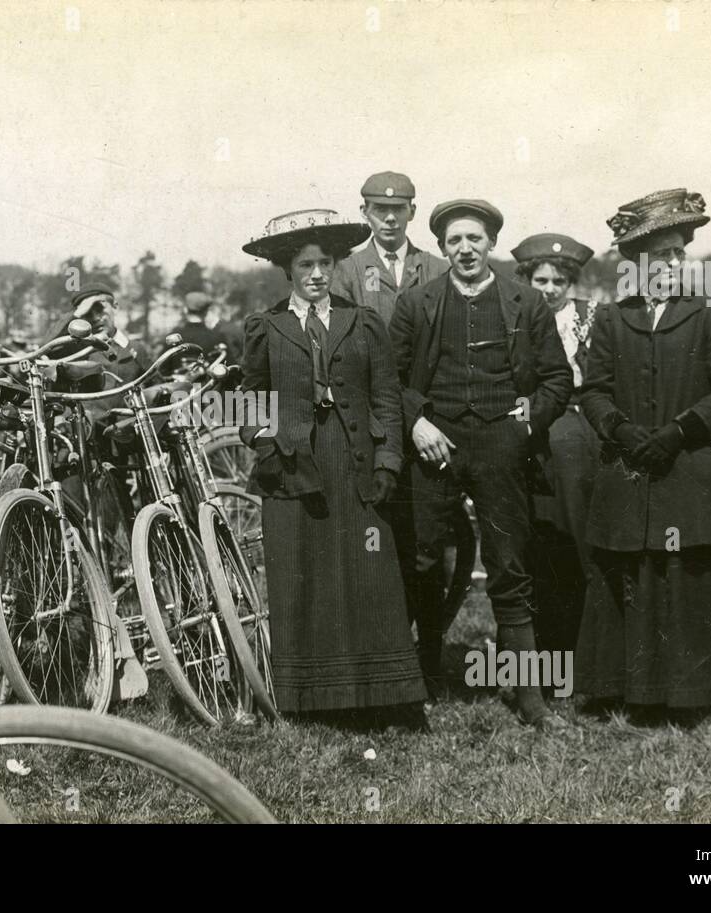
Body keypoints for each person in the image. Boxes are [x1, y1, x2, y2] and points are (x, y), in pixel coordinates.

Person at [576, 188, 711, 718]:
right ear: (636, 263)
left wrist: (676, 433)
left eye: (679, 253)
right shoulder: (611, 319)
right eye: (662, 255)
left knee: (701, 574)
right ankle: (639, 693)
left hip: (696, 469)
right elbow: (594, 390)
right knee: (638, 574)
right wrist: (625, 434)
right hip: (632, 471)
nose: (674, 263)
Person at [239, 209, 426, 724]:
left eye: (325, 263)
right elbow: (249, 398)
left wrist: (389, 459)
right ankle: (307, 700)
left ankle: (380, 697)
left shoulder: (362, 322)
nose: (317, 274)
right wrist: (267, 447)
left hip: (354, 462)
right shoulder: (266, 327)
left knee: (366, 572)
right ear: (288, 271)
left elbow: (386, 395)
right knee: (303, 575)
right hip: (294, 467)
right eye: (305, 266)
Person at [390, 199, 573, 725]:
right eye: (454, 242)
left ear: (491, 243)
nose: (465, 249)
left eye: (474, 239)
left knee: (510, 565)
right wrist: (417, 423)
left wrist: (526, 423)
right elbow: (391, 379)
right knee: (424, 560)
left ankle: (528, 696)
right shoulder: (417, 301)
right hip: (435, 445)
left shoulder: (525, 302)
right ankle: (420, 679)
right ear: (443, 249)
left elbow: (558, 379)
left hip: (501, 446)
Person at [511, 232, 602, 657]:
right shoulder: (512, 316)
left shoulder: (591, 318)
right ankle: (540, 644)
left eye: (558, 282)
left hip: (575, 433)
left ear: (571, 284)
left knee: (575, 533)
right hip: (525, 426)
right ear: (527, 282)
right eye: (540, 281)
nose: (549, 290)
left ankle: (584, 643)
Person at [331, 171, 446, 328]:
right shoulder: (347, 271)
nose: (390, 218)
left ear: (412, 211)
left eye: (398, 209)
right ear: (365, 212)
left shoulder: (437, 269)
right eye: (380, 209)